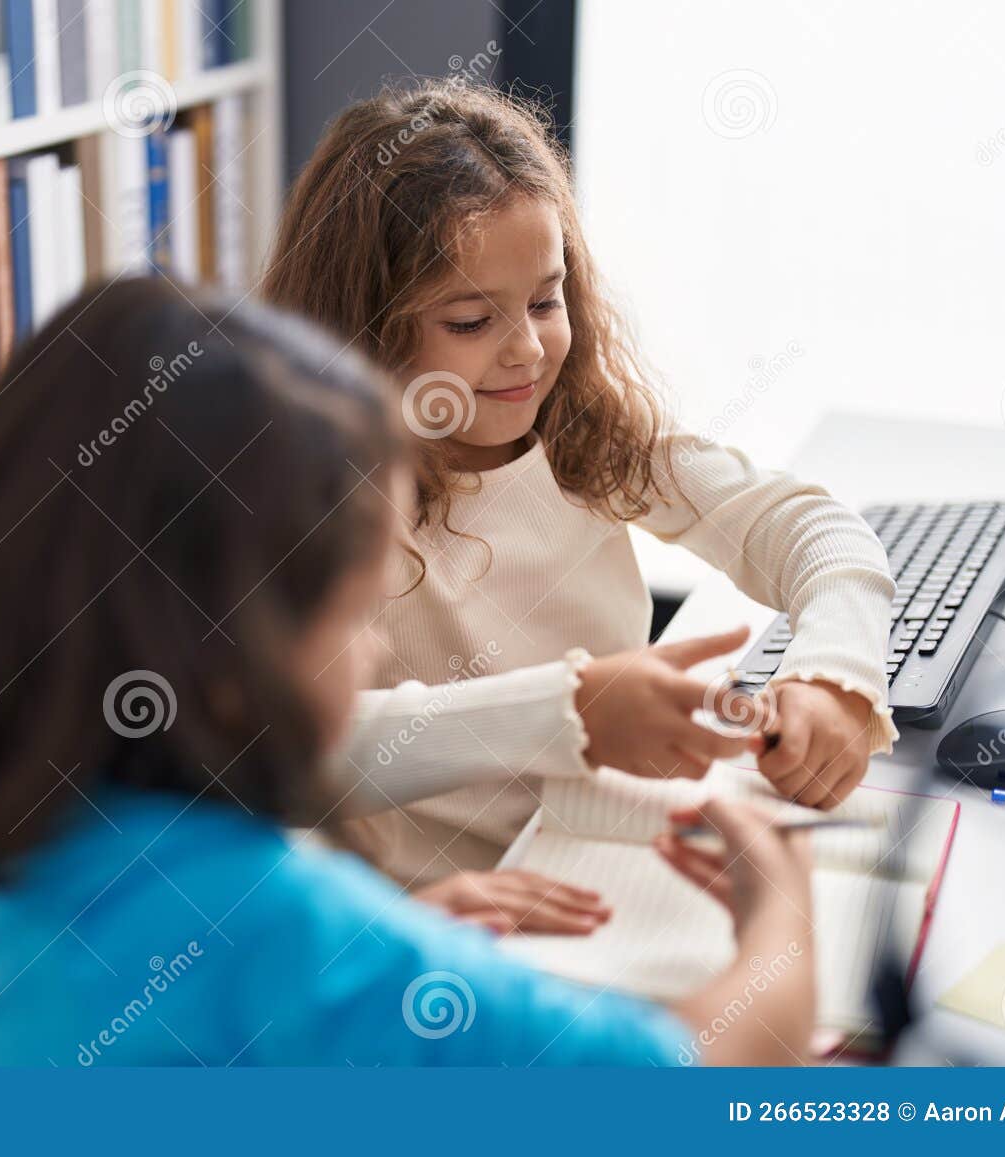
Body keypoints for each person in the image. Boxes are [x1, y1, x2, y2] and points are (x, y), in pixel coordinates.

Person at [0, 278, 816, 1066]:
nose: (373, 652)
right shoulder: (279, 930)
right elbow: (699, 1079)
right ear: (223, 652)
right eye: (356, 614)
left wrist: (387, 948)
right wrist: (782, 912)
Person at [264, 80, 897, 888]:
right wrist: (569, 711)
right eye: (470, 321)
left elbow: (815, 530)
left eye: (545, 300)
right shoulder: (322, 505)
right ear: (363, 325)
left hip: (609, 855)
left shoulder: (584, 442)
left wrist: (834, 675)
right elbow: (301, 748)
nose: (527, 349)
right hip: (451, 910)